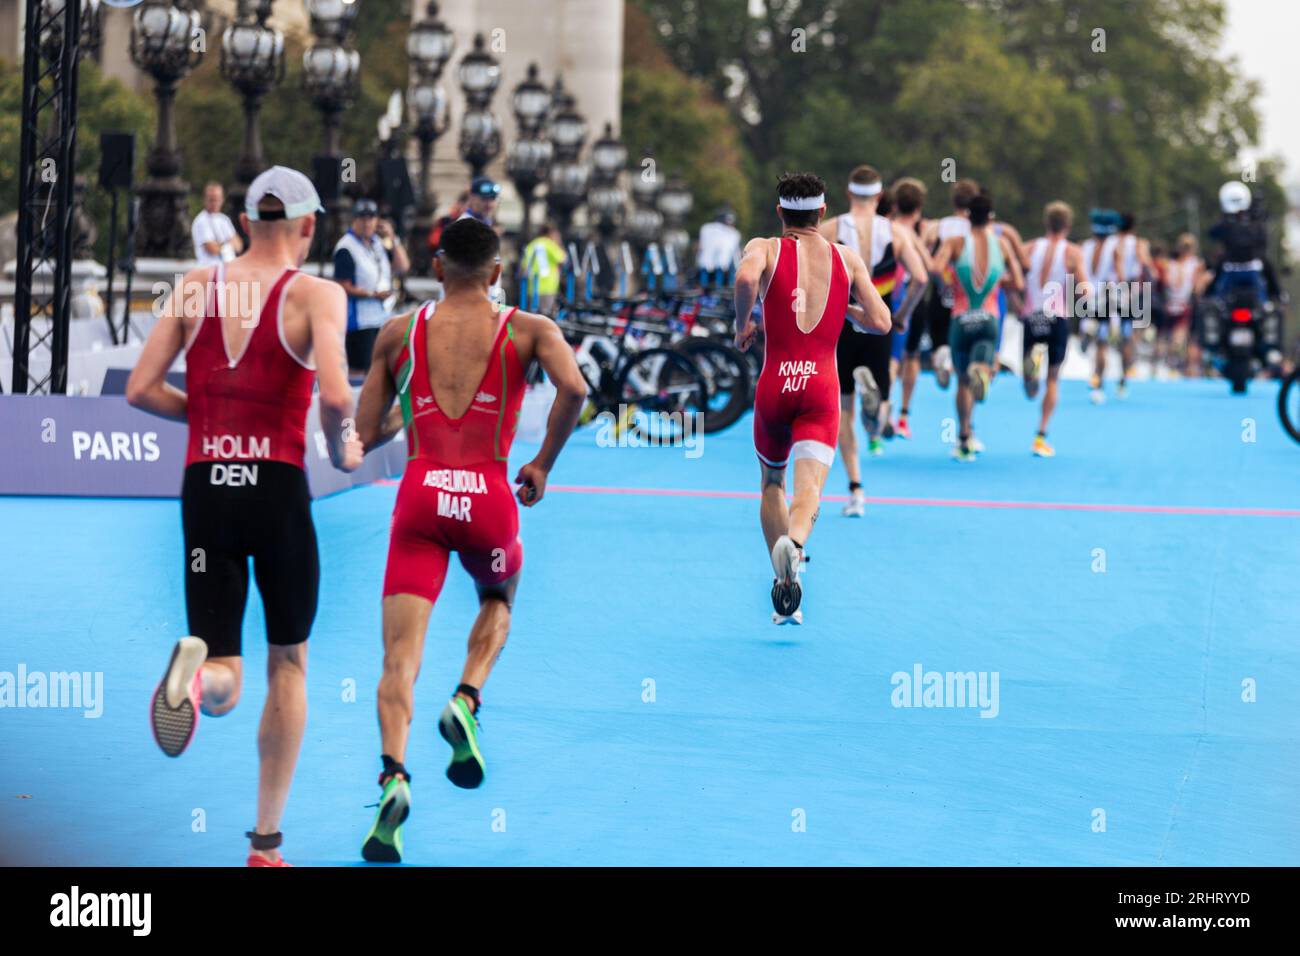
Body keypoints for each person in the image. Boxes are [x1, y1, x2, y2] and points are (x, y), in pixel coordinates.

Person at [127, 165, 362, 867]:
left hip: (206, 488)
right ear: (309, 227)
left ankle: (194, 681)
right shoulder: (318, 293)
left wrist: (207, 421)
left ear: (242, 223)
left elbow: (140, 390)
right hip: (277, 488)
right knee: (287, 662)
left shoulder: (195, 287)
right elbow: (334, 393)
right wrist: (344, 450)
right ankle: (265, 844)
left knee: (224, 669)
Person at [352, 218, 587, 863]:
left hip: (421, 497)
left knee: (398, 658)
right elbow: (575, 389)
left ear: (437, 271)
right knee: (500, 596)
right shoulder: (529, 330)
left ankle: (394, 778)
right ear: (496, 274)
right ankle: (466, 696)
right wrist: (541, 463)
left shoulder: (400, 331)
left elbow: (365, 434)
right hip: (486, 495)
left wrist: (410, 403)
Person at [734, 172, 891, 623]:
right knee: (810, 490)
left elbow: (747, 279)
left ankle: (784, 585)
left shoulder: (764, 246)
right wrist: (846, 310)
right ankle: (796, 546)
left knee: (771, 484)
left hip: (775, 383)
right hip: (821, 387)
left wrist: (742, 323)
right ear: (822, 214)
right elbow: (881, 322)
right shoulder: (846, 258)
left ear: (779, 212)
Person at [817, 165, 926, 515]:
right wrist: (903, 315)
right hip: (881, 322)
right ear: (880, 197)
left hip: (845, 320)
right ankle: (876, 413)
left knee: (842, 411)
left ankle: (855, 490)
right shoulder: (895, 230)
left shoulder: (831, 228)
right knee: (879, 410)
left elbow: (809, 272)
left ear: (849, 194)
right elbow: (921, 278)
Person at [931, 193, 1024, 462]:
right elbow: (1017, 281)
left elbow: (935, 268)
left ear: (967, 218)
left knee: (961, 383)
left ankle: (963, 437)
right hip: (989, 317)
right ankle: (984, 371)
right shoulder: (1002, 244)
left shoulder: (955, 242)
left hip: (961, 318)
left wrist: (948, 283)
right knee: (986, 364)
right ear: (991, 217)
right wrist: (996, 282)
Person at [1021, 201, 1090, 457]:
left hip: (1032, 316)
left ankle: (1029, 378)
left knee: (1030, 384)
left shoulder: (1028, 248)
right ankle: (1041, 435)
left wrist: (1019, 302)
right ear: (1068, 226)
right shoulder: (1072, 252)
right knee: (1053, 378)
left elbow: (1012, 278)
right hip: (1056, 317)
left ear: (1045, 223)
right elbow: (1084, 289)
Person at [334, 198, 410, 375]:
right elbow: (342, 285)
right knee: (359, 370)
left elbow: (402, 267)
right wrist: (372, 294)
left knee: (379, 369)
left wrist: (393, 237)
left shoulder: (377, 244)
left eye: (371, 218)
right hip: (359, 321)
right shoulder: (346, 248)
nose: (367, 223)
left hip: (381, 318)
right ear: (354, 220)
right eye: (362, 218)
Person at [890, 177, 938, 440]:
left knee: (891, 358)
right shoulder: (911, 233)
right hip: (914, 300)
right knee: (912, 357)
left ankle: (884, 410)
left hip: (890, 297)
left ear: (895, 204)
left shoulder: (886, 227)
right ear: (919, 206)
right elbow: (930, 268)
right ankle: (903, 416)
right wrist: (925, 246)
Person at [1107, 211, 1153, 398]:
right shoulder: (1138, 243)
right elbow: (1145, 263)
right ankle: (1123, 378)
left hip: (1109, 289)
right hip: (1129, 288)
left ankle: (1099, 375)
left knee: (1107, 330)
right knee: (1127, 335)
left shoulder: (1111, 242)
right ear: (1133, 227)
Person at [1079, 208, 1121, 404]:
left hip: (1087, 294)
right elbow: (1120, 275)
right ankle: (1098, 382)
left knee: (1093, 338)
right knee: (1103, 345)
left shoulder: (1085, 246)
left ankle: (1087, 330)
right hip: (1106, 296)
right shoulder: (1114, 247)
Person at [1162, 233, 1210, 376]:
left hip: (1171, 303)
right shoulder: (1196, 264)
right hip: (1186, 304)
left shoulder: (1171, 264)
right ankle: (1185, 366)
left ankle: (1170, 363)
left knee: (1169, 336)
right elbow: (1197, 287)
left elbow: (1166, 284)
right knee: (1187, 337)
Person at [191, 182, 242, 266]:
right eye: (211, 199)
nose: (214, 203)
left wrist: (221, 245)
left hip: (227, 270)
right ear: (204, 199)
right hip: (208, 270)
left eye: (217, 199)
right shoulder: (201, 221)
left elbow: (239, 245)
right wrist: (228, 244)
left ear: (222, 199)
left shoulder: (224, 220)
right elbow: (212, 249)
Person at [521, 222, 567, 313]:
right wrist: (559, 243)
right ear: (551, 233)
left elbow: (524, 266)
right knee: (547, 317)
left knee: (532, 318)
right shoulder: (549, 244)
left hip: (532, 287)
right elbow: (564, 259)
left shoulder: (531, 245)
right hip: (548, 287)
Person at [697, 208, 742, 288]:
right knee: (715, 274)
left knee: (718, 273)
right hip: (717, 259)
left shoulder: (707, 228)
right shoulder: (729, 232)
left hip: (718, 259)